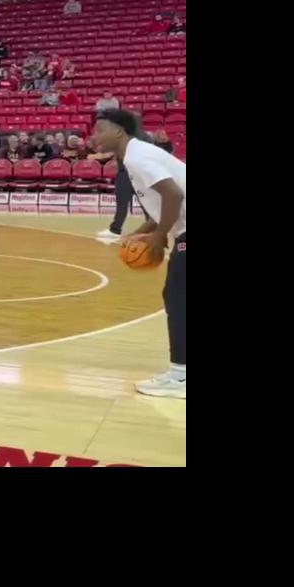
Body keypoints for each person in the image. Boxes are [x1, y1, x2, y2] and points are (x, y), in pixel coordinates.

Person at [92, 110, 185, 398]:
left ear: (119, 132)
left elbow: (174, 195)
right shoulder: (135, 155)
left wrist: (158, 238)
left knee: (177, 296)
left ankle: (180, 377)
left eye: (100, 130)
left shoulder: (137, 157)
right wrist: (142, 231)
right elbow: (163, 206)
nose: (94, 137)